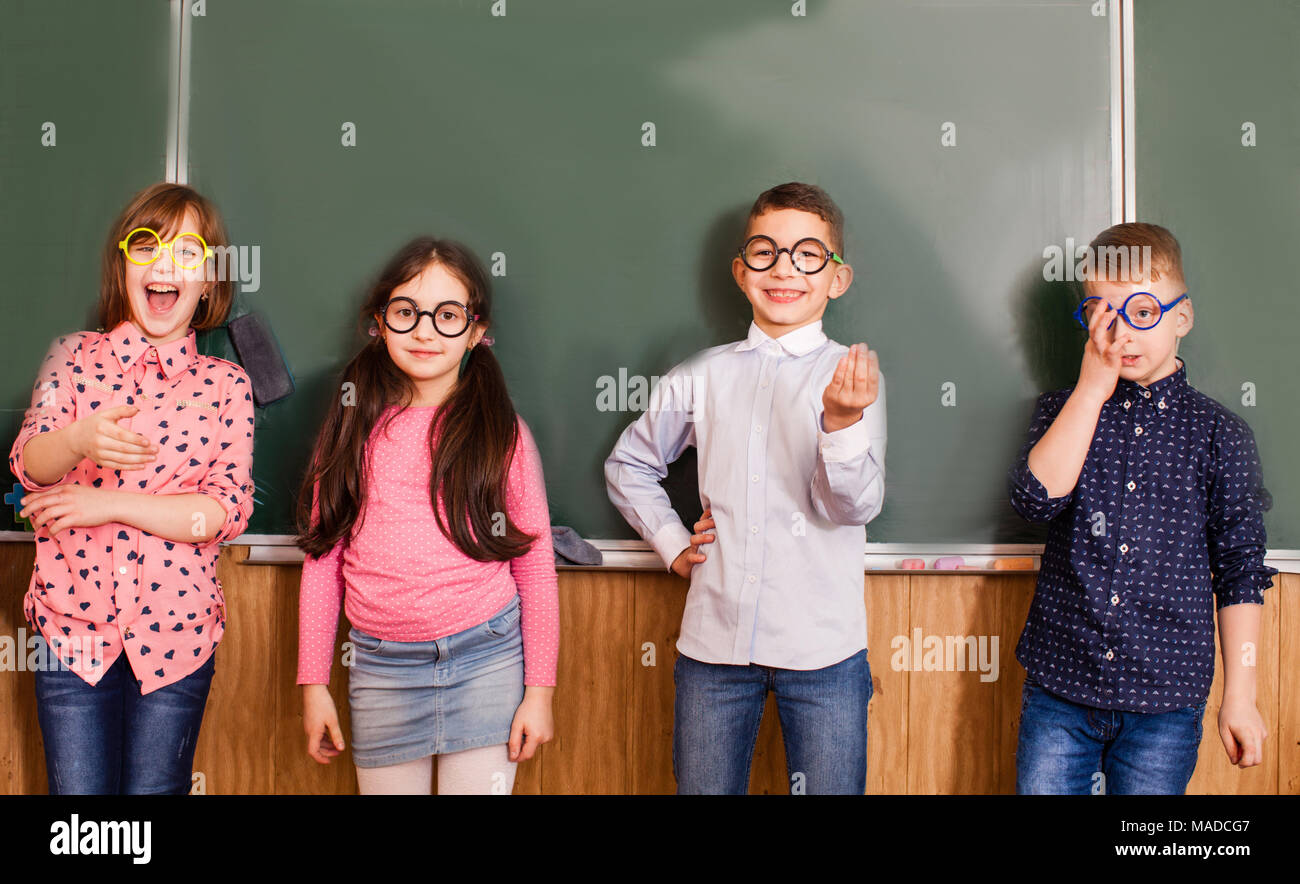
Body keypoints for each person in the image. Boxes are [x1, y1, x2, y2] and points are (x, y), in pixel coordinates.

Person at [605, 182, 886, 794]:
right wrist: (673, 542)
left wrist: (840, 424)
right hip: (714, 646)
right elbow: (629, 464)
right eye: (766, 251)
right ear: (741, 270)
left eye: (808, 254)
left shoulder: (853, 378)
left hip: (824, 652)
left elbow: (855, 506)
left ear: (837, 278)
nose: (784, 268)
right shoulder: (702, 375)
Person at [1009, 222, 1275, 794]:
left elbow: (1240, 573)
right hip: (1062, 685)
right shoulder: (1063, 411)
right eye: (1104, 315)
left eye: (1144, 312)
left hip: (1165, 699)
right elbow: (1034, 500)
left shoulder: (1221, 435)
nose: (1123, 332)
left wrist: (1241, 697)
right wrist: (1090, 390)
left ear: (1183, 317)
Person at [9, 182, 255, 794]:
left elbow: (222, 512)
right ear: (123, 267)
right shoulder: (68, 357)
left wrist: (107, 502)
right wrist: (79, 441)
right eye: (146, 244)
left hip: (177, 637)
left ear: (210, 284)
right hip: (71, 636)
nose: (165, 262)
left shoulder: (227, 385)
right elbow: (29, 464)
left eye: (188, 252)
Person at [296, 236, 558, 795]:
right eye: (406, 312)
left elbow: (534, 565)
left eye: (447, 315)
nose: (425, 331)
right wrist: (313, 684)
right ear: (379, 322)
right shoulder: (350, 429)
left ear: (476, 330)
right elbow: (323, 560)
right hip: (381, 671)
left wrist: (540, 693)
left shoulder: (502, 435)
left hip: (486, 659)